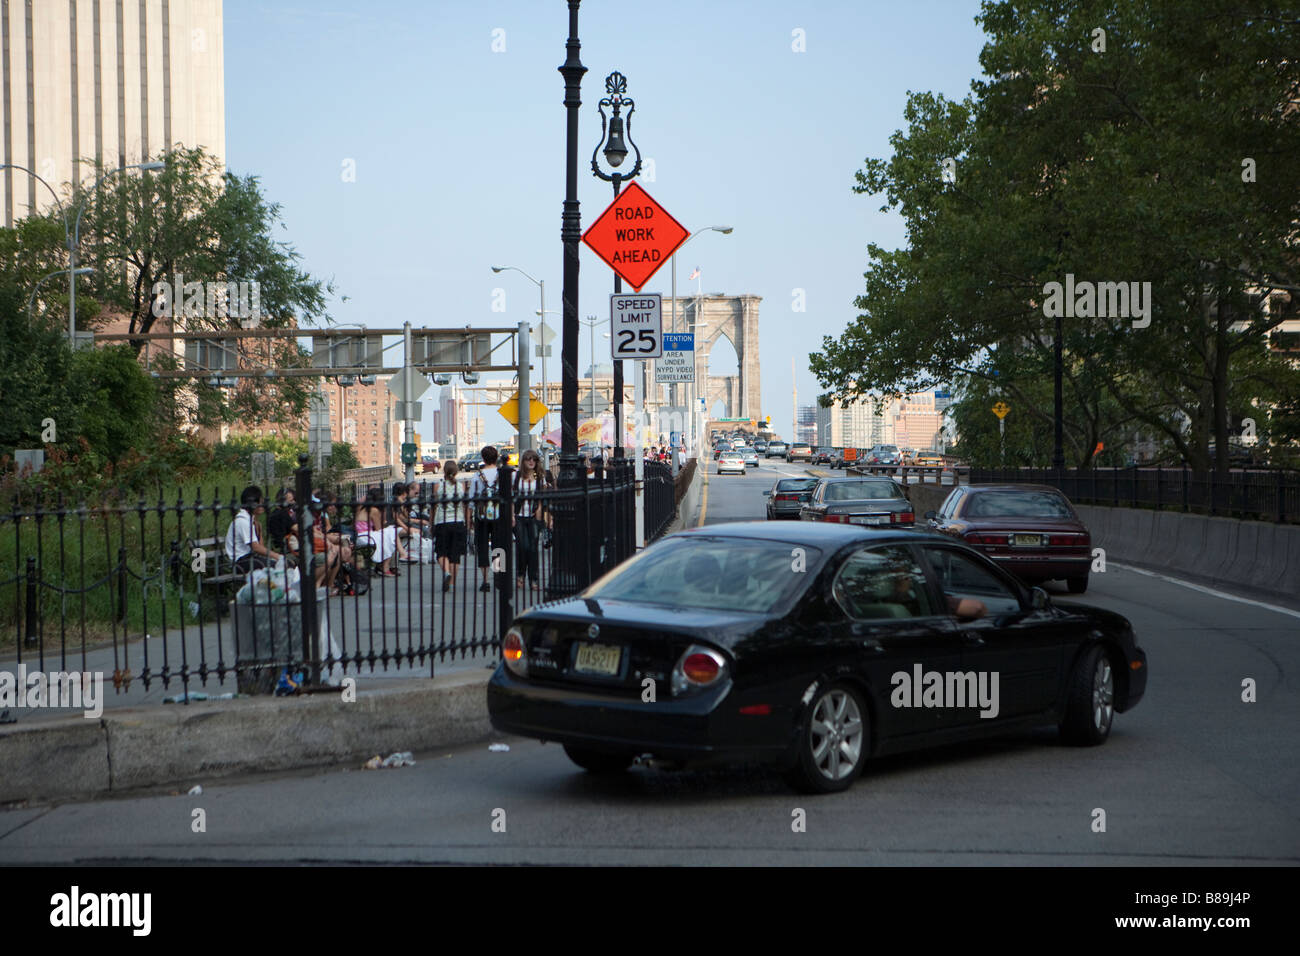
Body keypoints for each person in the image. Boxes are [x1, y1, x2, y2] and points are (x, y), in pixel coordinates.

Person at [513, 449, 550, 594]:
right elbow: (512, 497)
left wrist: (541, 510)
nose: (531, 462)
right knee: (523, 546)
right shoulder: (516, 477)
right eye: (528, 459)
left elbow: (542, 496)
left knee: (533, 548)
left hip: (534, 516)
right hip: (519, 515)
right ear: (523, 461)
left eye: (534, 459)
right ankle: (520, 574)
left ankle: (533, 579)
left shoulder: (540, 477)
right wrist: (511, 515)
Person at [224, 485, 285, 573]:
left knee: (277, 564)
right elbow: (256, 547)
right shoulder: (242, 521)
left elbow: (261, 546)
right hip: (240, 562)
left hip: (251, 558)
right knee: (275, 566)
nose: (262, 506)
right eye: (259, 503)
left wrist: (258, 528)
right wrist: (277, 556)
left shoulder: (251, 521)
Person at [468, 445, 501, 592]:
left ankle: (485, 580)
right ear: (497, 457)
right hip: (498, 515)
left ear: (483, 458)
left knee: (482, 547)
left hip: (481, 515)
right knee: (499, 546)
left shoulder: (477, 475)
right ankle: (499, 576)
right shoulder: (502, 473)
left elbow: (471, 498)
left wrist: (469, 518)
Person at [432, 460, 468, 593]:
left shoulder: (438, 486)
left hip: (442, 522)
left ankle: (446, 572)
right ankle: (452, 583)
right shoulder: (461, 486)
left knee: (441, 552)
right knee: (455, 555)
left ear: (444, 471)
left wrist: (431, 523)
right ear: (456, 472)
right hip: (458, 522)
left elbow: (434, 506)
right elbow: (464, 505)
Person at [354, 486, 406, 577]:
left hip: (361, 535)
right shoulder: (374, 510)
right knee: (390, 533)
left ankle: (394, 560)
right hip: (365, 536)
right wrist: (384, 514)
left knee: (390, 533)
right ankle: (388, 565)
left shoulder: (363, 508)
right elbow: (379, 528)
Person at [267, 488, 299, 557]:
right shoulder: (282, 513)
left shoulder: (274, 513)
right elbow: (297, 529)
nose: (293, 502)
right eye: (291, 500)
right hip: (287, 549)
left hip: (281, 547)